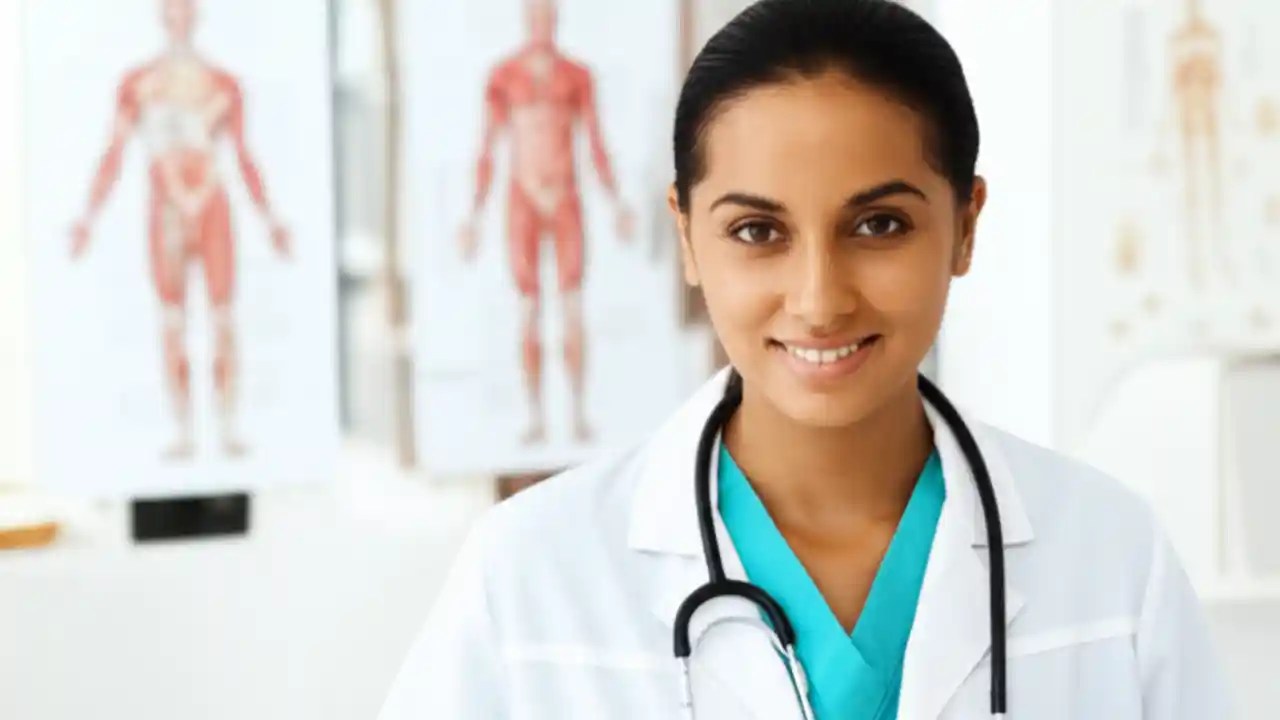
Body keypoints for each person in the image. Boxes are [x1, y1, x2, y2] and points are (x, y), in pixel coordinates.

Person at [381, 1, 1231, 717]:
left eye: (879, 225)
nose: (820, 300)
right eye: (758, 231)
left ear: (966, 225)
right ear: (687, 236)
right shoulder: (530, 575)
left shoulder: (1111, 560)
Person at [70, 0, 290, 459]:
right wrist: (88, 217)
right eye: (173, 10)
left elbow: (243, 155)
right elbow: (114, 152)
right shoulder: (138, 84)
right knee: (172, 320)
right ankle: (185, 429)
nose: (180, 17)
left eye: (187, 9)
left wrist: (269, 218)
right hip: (166, 208)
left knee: (222, 316)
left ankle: (227, 424)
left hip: (211, 204)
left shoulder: (223, 84)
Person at [458, 0, 634, 445]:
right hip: (522, 199)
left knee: (572, 304)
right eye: (535, 15)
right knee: (529, 308)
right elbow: (487, 148)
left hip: (565, 196)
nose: (542, 23)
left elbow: (595, 141)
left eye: (548, 15)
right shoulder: (504, 76)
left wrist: (616, 203)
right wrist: (473, 216)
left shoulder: (577, 75)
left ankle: (577, 413)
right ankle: (535, 416)